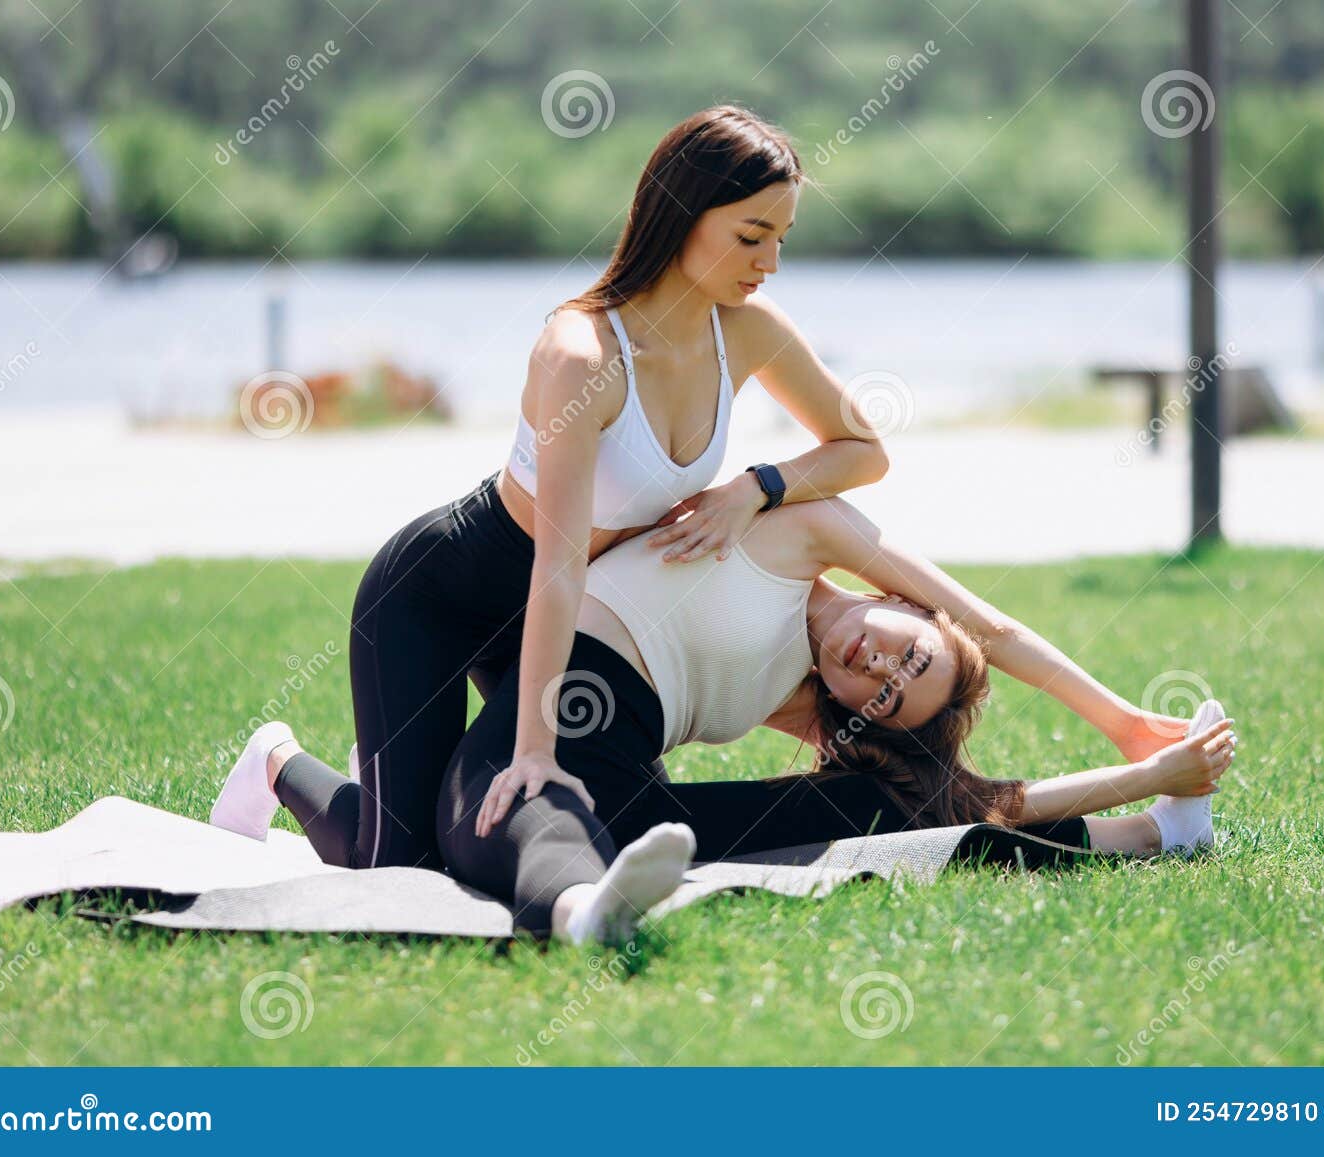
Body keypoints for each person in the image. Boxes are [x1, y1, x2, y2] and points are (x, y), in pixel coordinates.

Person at [212, 105, 892, 869]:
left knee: (550, 823)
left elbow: (863, 449)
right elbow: (558, 562)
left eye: (781, 239)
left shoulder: (749, 327)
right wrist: (532, 750)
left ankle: (397, 776)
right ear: (679, 215)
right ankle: (275, 759)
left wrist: (754, 488)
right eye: (750, 236)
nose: (768, 262)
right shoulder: (580, 352)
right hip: (441, 596)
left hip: (568, 619)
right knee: (399, 865)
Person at [213, 497, 1238, 943]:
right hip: (535, 737)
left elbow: (942, 800)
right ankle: (575, 903)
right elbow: (996, 626)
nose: (876, 672)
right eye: (905, 653)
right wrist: (1119, 722)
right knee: (437, 855)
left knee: (874, 814)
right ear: (913, 610)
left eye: (884, 696)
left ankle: (1148, 834)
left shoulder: (808, 688)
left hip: (626, 781)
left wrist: (1146, 783)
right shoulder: (792, 528)